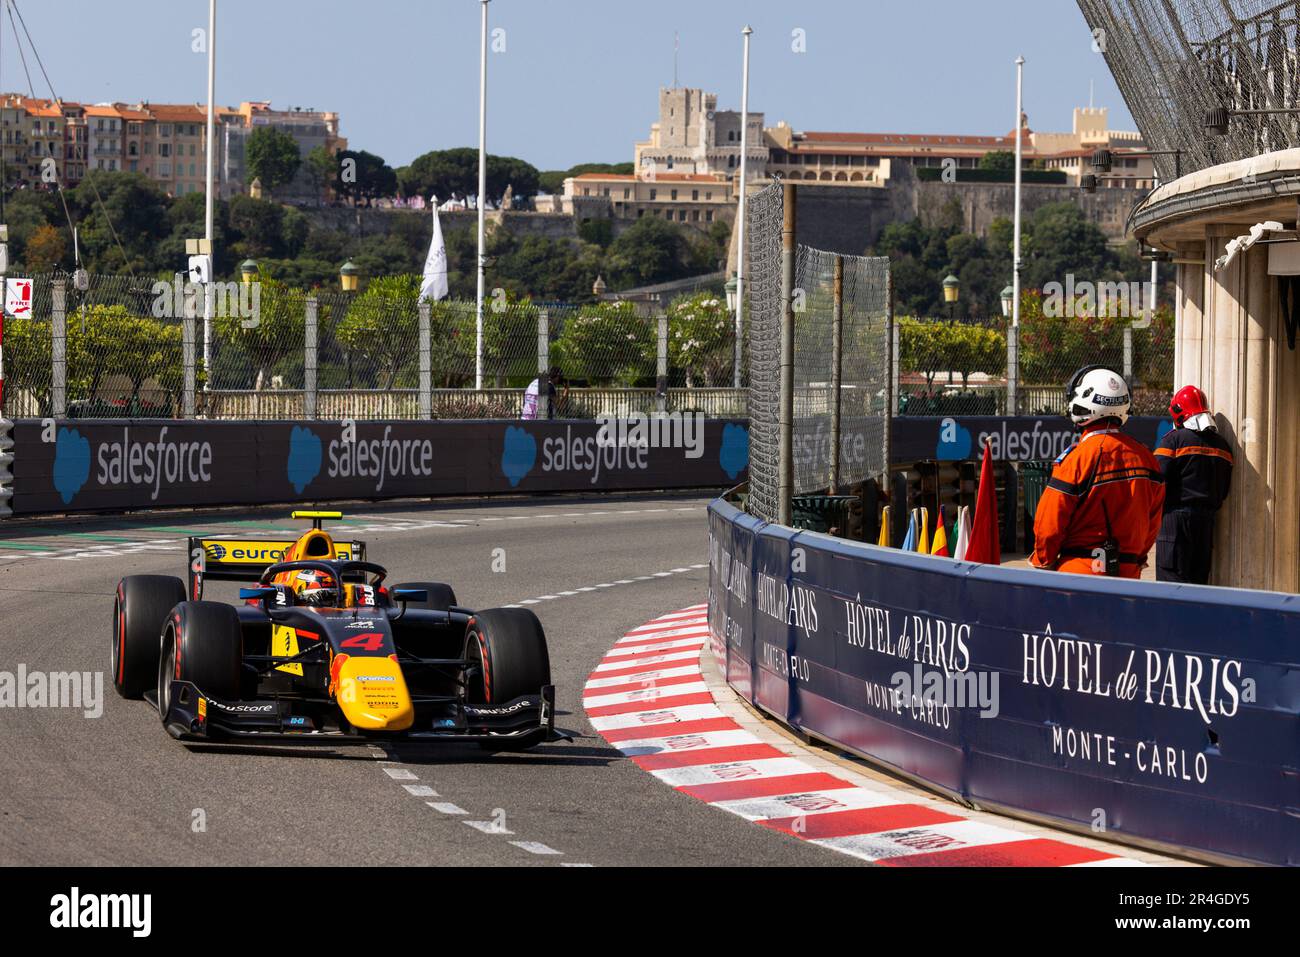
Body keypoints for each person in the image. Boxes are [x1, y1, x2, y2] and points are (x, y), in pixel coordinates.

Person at [1031, 366, 1165, 578]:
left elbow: (1050, 522)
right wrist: (1136, 559)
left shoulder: (1077, 459)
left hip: (1079, 574)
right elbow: (1152, 524)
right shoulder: (1148, 459)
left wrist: (1043, 560)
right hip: (1129, 575)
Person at [1154, 385, 1233, 584]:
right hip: (1206, 525)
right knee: (1198, 588)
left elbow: (1156, 480)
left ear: (1179, 413)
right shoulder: (1223, 446)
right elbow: (1223, 491)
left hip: (1175, 522)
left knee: (1170, 586)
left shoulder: (1173, 441)